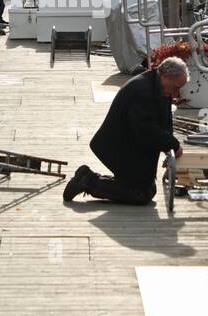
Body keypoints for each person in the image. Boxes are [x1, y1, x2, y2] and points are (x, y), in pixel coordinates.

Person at [64, 56, 190, 205]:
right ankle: (88, 181)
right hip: (116, 145)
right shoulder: (143, 90)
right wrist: (172, 144)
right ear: (165, 76)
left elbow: (165, 121)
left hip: (131, 143)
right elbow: (145, 129)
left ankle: (88, 179)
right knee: (141, 194)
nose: (177, 94)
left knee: (148, 189)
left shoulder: (160, 87)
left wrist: (168, 147)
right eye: (176, 88)